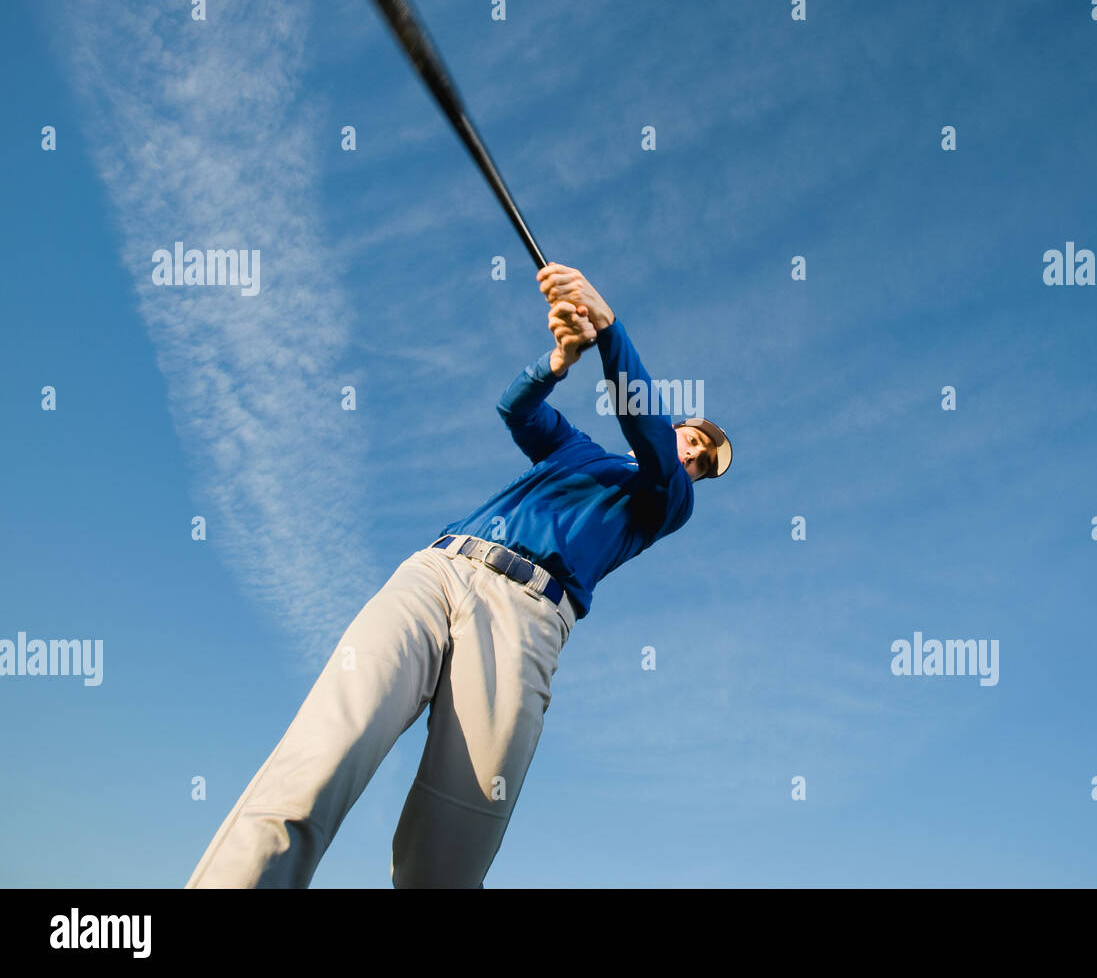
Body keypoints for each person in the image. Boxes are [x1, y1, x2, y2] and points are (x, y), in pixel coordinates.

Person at [184, 262, 732, 888]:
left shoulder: (665, 500)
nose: (693, 453)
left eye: (703, 461)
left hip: (525, 620)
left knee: (446, 859)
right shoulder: (580, 450)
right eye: (693, 439)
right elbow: (516, 408)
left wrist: (609, 332)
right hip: (439, 570)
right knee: (321, 756)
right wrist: (557, 360)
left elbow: (653, 439)